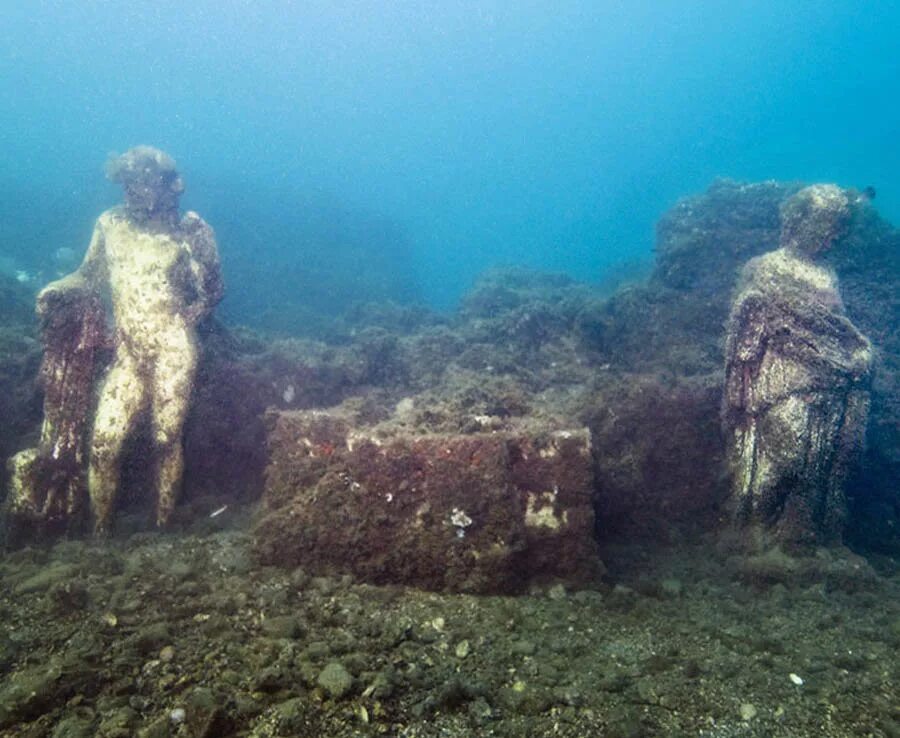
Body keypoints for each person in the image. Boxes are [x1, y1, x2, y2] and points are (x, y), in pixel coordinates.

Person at [7, 146, 222, 534]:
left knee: (165, 438)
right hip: (129, 353)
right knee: (103, 443)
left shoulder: (190, 231)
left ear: (168, 186)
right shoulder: (110, 225)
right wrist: (54, 289)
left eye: (142, 182)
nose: (132, 191)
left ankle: (161, 528)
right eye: (127, 183)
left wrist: (184, 321)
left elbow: (213, 290)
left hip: (172, 351)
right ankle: (100, 535)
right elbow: (88, 274)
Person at [722, 184, 873, 544]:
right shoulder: (764, 267)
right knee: (784, 458)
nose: (830, 233)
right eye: (824, 222)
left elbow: (836, 327)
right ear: (798, 219)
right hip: (782, 377)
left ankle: (797, 540)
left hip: (831, 382)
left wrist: (858, 351)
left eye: (836, 226)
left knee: (815, 466)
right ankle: (753, 534)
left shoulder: (828, 275)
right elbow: (748, 321)